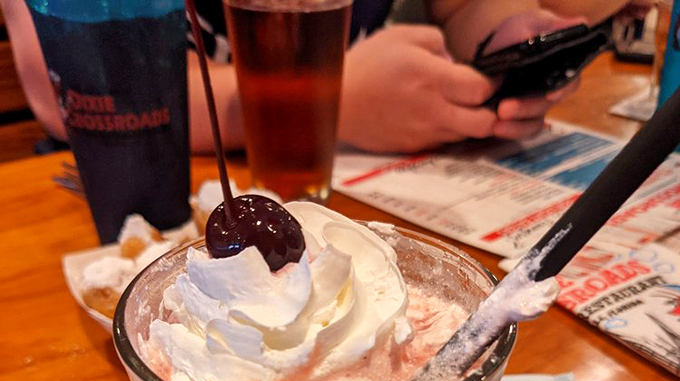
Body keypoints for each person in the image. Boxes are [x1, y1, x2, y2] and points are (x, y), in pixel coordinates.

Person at [0, 0, 647, 156]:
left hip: (362, 178)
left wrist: (505, 33)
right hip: (132, 188)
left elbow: (462, 6)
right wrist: (320, 100)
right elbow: (70, 89)